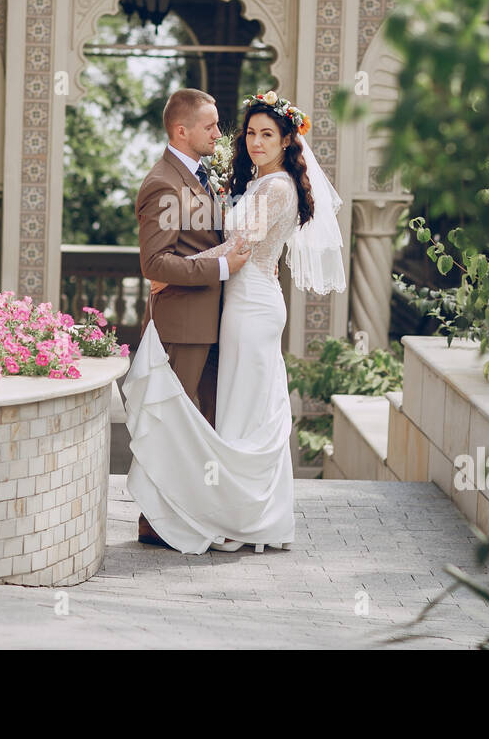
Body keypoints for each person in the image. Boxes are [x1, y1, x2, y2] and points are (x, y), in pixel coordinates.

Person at [123, 89, 346, 554]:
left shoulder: (276, 187)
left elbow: (239, 247)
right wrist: (165, 271)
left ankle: (242, 515)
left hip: (251, 306)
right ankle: (211, 513)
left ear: (287, 141)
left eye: (267, 134)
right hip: (229, 308)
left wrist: (172, 273)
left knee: (241, 413)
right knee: (225, 413)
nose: (249, 141)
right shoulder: (232, 184)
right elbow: (162, 257)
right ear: (183, 130)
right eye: (250, 132)